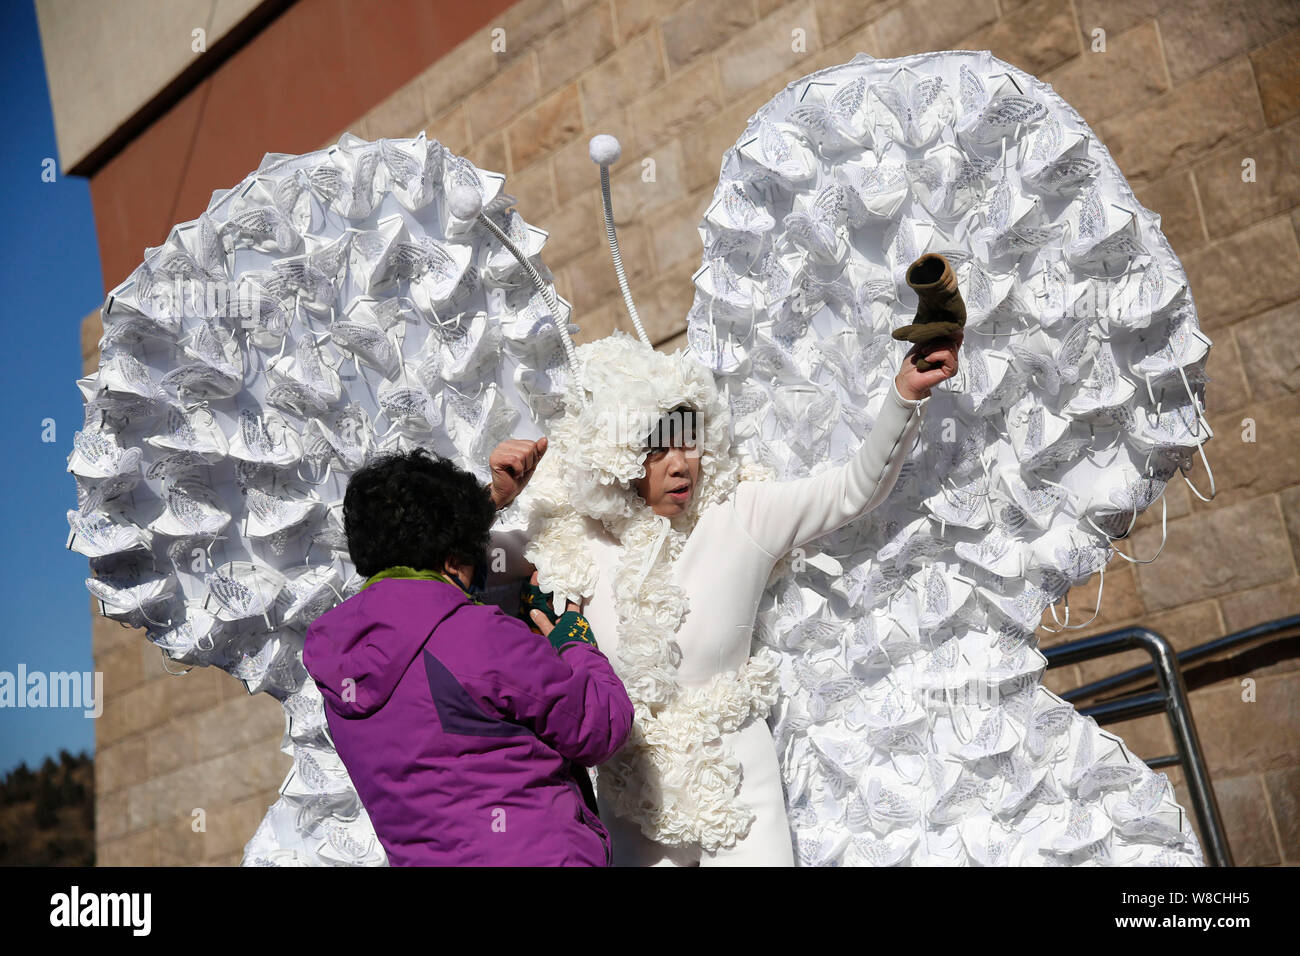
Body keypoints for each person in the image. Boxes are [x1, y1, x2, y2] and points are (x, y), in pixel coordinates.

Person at [513, 324, 962, 866]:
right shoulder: (573, 540)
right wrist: (495, 496)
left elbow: (852, 489)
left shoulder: (742, 512)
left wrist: (904, 396)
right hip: (632, 791)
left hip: (740, 789)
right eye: (656, 447)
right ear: (617, 457)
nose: (681, 463)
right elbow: (468, 563)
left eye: (689, 439)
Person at [301, 446, 634, 866]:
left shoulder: (342, 659)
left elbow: (424, 599)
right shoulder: (478, 637)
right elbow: (601, 727)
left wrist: (486, 503)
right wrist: (575, 642)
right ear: (455, 557)